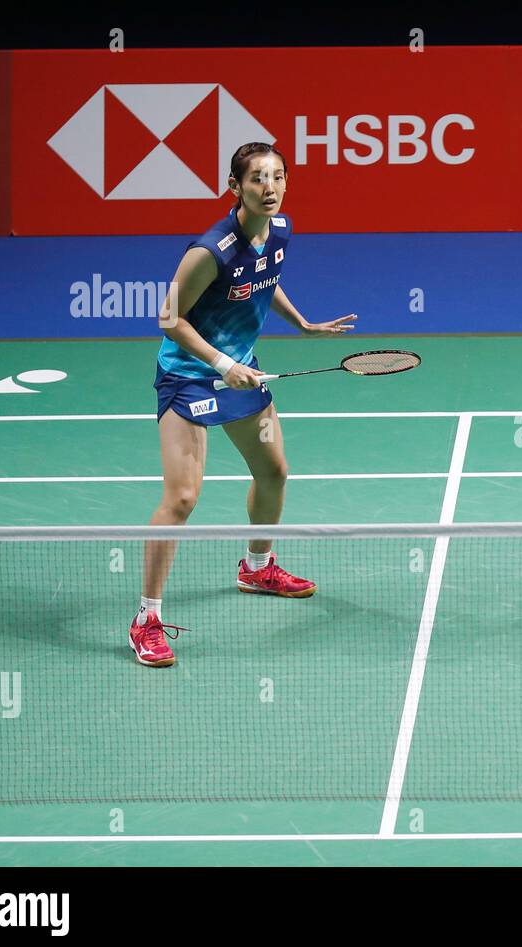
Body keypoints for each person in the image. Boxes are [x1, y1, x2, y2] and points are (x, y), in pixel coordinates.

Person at [129, 142, 356, 666]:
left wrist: (300, 323)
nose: (270, 187)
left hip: (241, 372)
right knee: (182, 499)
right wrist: (220, 364)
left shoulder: (280, 231)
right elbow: (169, 318)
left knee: (274, 470)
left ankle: (257, 567)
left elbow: (264, 283)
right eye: (257, 178)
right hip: (190, 378)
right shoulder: (210, 251)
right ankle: (146, 619)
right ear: (235, 187)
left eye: (278, 176)